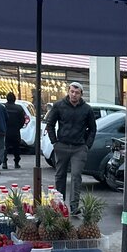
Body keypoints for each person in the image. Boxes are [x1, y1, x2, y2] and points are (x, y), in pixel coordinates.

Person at [45, 81, 96, 215]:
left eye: (77, 92)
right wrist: (54, 142)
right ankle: (60, 205)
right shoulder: (59, 106)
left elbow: (92, 129)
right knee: (60, 175)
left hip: (79, 148)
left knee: (76, 176)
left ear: (81, 94)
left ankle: (74, 206)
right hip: (61, 145)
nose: (74, 94)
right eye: (72, 91)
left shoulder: (87, 109)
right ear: (68, 91)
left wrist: (87, 146)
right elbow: (49, 124)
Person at [3, 92, 25, 170]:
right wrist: (18, 127)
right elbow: (23, 120)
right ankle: (16, 163)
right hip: (15, 131)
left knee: (5, 147)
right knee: (16, 148)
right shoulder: (19, 108)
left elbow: (2, 119)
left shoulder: (4, 107)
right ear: (14, 99)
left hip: (6, 130)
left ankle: (4, 162)